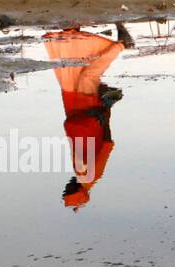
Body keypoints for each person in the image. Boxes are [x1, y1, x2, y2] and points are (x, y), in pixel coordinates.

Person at [44, 28, 125, 210]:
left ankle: (74, 39)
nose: (66, 186)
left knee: (74, 74)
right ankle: (120, 46)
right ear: (76, 191)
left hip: (86, 115)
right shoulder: (87, 175)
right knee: (88, 75)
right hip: (87, 114)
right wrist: (102, 114)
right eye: (67, 190)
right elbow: (106, 145)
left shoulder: (88, 177)